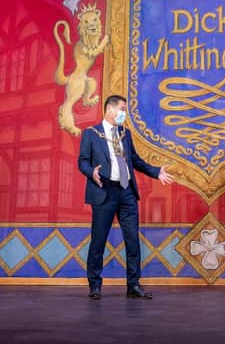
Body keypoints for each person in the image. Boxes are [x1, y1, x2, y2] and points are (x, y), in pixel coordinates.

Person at [78, 94, 174, 299]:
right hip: (104, 190)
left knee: (132, 240)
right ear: (110, 109)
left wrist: (156, 172)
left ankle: (133, 285)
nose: (124, 113)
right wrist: (91, 172)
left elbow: (136, 161)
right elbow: (82, 161)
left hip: (127, 192)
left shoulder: (125, 134)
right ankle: (95, 285)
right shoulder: (91, 134)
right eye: (122, 109)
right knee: (98, 241)